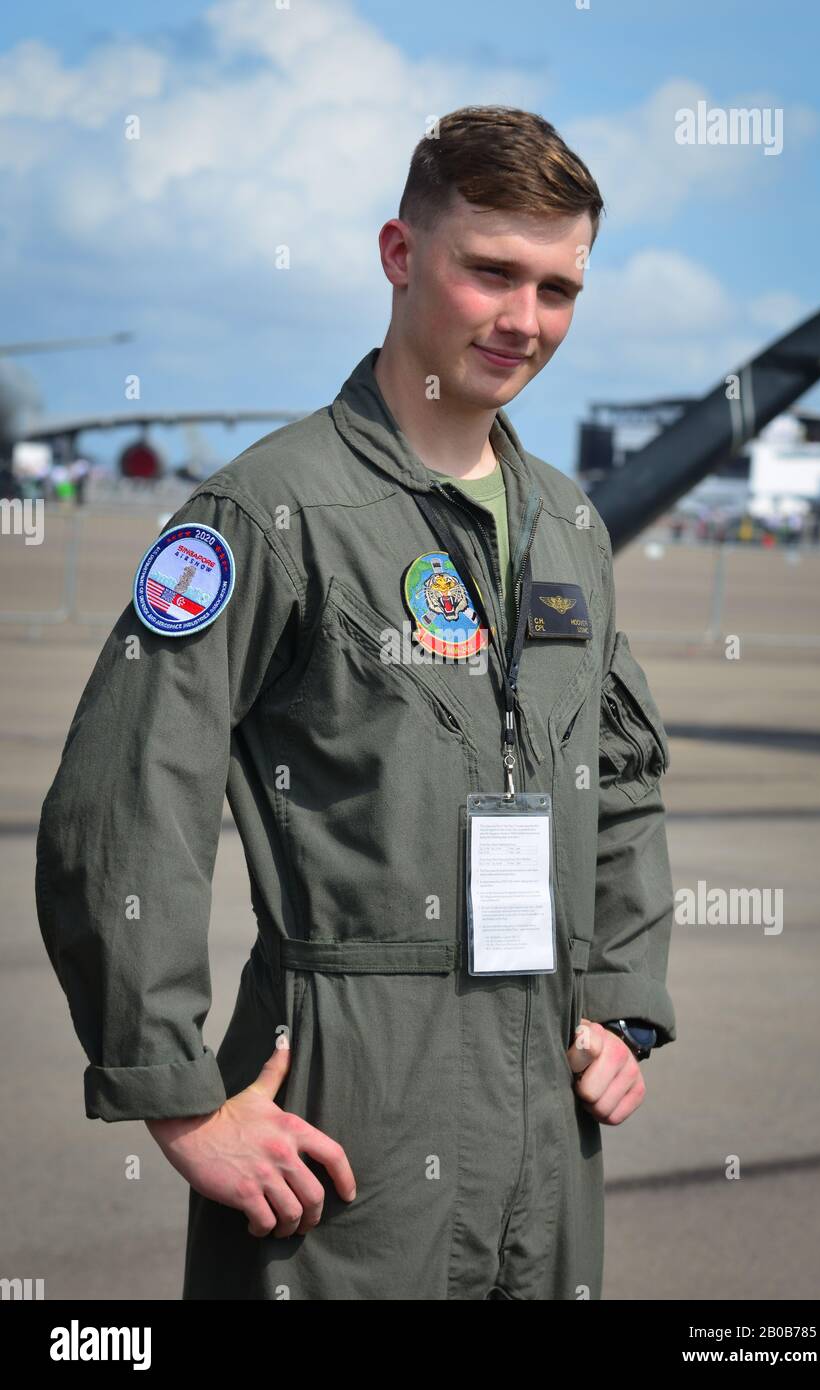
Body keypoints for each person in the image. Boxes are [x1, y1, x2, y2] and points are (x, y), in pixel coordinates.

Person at [35, 105, 676, 1302]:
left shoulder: (569, 527)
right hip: (344, 1124)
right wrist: (178, 1097)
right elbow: (124, 800)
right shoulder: (266, 514)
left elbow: (624, 771)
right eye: (490, 271)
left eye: (558, 288)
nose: (523, 321)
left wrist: (625, 1006)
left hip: (549, 1118)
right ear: (398, 253)